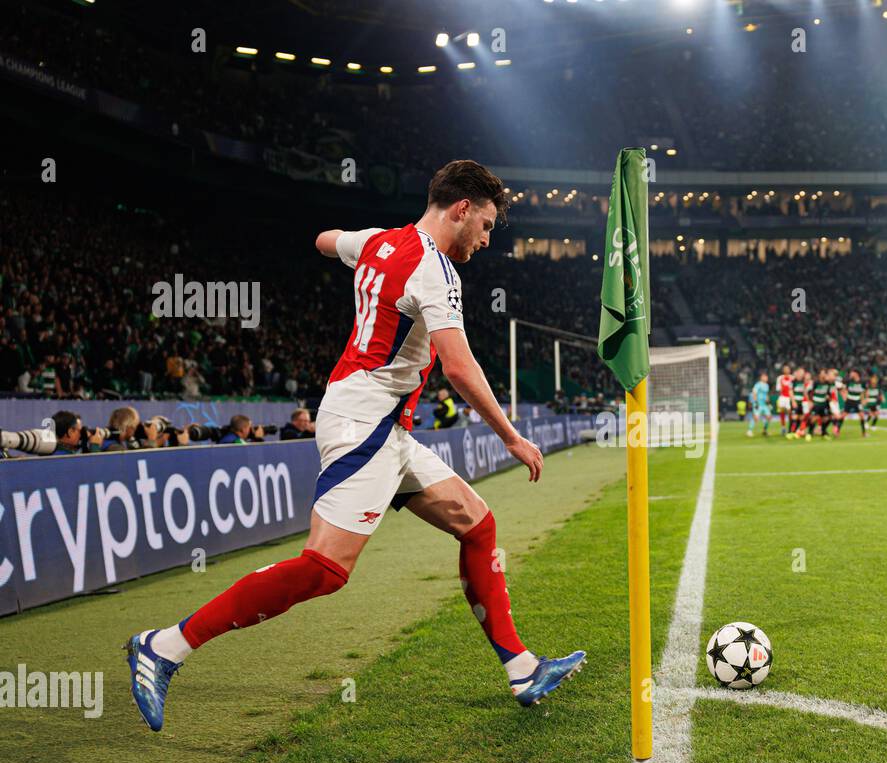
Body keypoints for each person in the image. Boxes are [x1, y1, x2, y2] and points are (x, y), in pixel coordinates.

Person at [125, 159, 585, 732]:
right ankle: (164, 645)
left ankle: (521, 668)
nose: (487, 239)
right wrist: (512, 436)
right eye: (486, 225)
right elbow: (460, 369)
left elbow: (324, 239)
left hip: (384, 422)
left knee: (477, 524)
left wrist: (357, 254)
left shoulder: (382, 242)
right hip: (363, 421)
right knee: (324, 570)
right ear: (461, 210)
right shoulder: (437, 271)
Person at [747, 371, 772, 437]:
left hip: (764, 404)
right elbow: (754, 393)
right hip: (758, 403)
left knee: (769, 417)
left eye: (766, 377)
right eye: (764, 377)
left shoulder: (767, 385)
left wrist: (768, 402)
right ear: (761, 378)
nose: (766, 378)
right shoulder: (758, 384)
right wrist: (755, 402)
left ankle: (764, 430)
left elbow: (766, 395)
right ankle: (749, 431)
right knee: (756, 418)